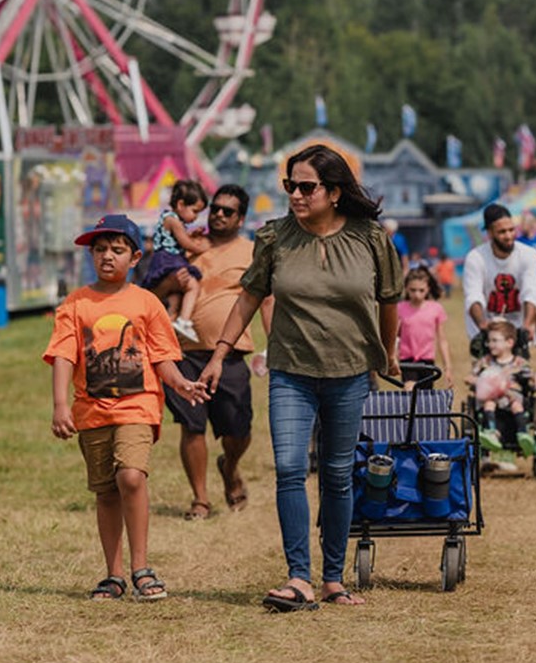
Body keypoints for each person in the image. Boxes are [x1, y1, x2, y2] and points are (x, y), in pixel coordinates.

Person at [198, 144, 403, 611]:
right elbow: (249, 298)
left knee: (336, 474)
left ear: (333, 191)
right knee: (290, 469)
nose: (295, 194)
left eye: (306, 186)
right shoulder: (275, 238)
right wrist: (219, 354)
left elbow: (389, 300)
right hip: (290, 372)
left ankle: (333, 578)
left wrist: (387, 354)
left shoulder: (370, 238)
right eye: (290, 185)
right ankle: (298, 578)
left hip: (350, 373)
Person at [44, 214, 209, 602]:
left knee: (131, 477)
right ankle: (113, 575)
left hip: (138, 406)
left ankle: (141, 568)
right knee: (105, 492)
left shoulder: (146, 302)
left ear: (135, 258)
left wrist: (180, 383)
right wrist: (59, 404)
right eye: (99, 250)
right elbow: (64, 355)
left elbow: (163, 357)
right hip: (92, 411)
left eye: (117, 250)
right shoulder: (76, 303)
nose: (107, 257)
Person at [164, 185, 273, 521]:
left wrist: (273, 347)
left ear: (241, 218)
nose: (219, 215)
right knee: (191, 426)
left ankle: (230, 465)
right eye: (216, 209)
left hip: (231, 355)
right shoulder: (188, 245)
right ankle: (200, 499)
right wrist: (171, 281)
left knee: (238, 429)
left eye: (228, 211)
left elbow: (266, 299)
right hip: (185, 352)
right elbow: (157, 287)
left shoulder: (252, 251)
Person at [461, 203, 536, 352]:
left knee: (517, 374)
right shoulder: (475, 258)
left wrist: (526, 326)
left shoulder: (529, 255)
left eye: (511, 230)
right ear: (490, 233)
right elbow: (473, 296)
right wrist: (483, 326)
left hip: (517, 332)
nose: (508, 236)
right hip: (485, 333)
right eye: (502, 232)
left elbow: (531, 292)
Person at [139, 179, 209, 341]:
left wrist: (191, 234)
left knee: (175, 294)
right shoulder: (173, 221)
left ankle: (170, 320)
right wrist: (201, 248)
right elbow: (185, 243)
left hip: (167, 259)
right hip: (170, 260)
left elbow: (176, 239)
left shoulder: (170, 219)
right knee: (192, 286)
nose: (196, 217)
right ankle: (184, 321)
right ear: (180, 204)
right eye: (195, 211)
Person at [466, 319, 536, 457]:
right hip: (491, 397)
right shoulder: (485, 362)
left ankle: (523, 434)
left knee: (516, 404)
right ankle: (491, 433)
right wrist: (480, 380)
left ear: (509, 343)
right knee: (489, 403)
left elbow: (532, 375)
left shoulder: (519, 363)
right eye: (489, 341)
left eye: (495, 341)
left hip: (512, 397)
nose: (491, 345)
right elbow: (468, 378)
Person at [396, 266, 453, 383]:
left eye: (421, 290)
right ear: (406, 288)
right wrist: (391, 358)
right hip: (407, 359)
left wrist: (448, 367)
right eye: (413, 290)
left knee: (425, 398)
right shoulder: (400, 308)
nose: (417, 295)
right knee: (410, 390)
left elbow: (442, 340)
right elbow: (394, 337)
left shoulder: (436, 309)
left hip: (427, 360)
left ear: (428, 289)